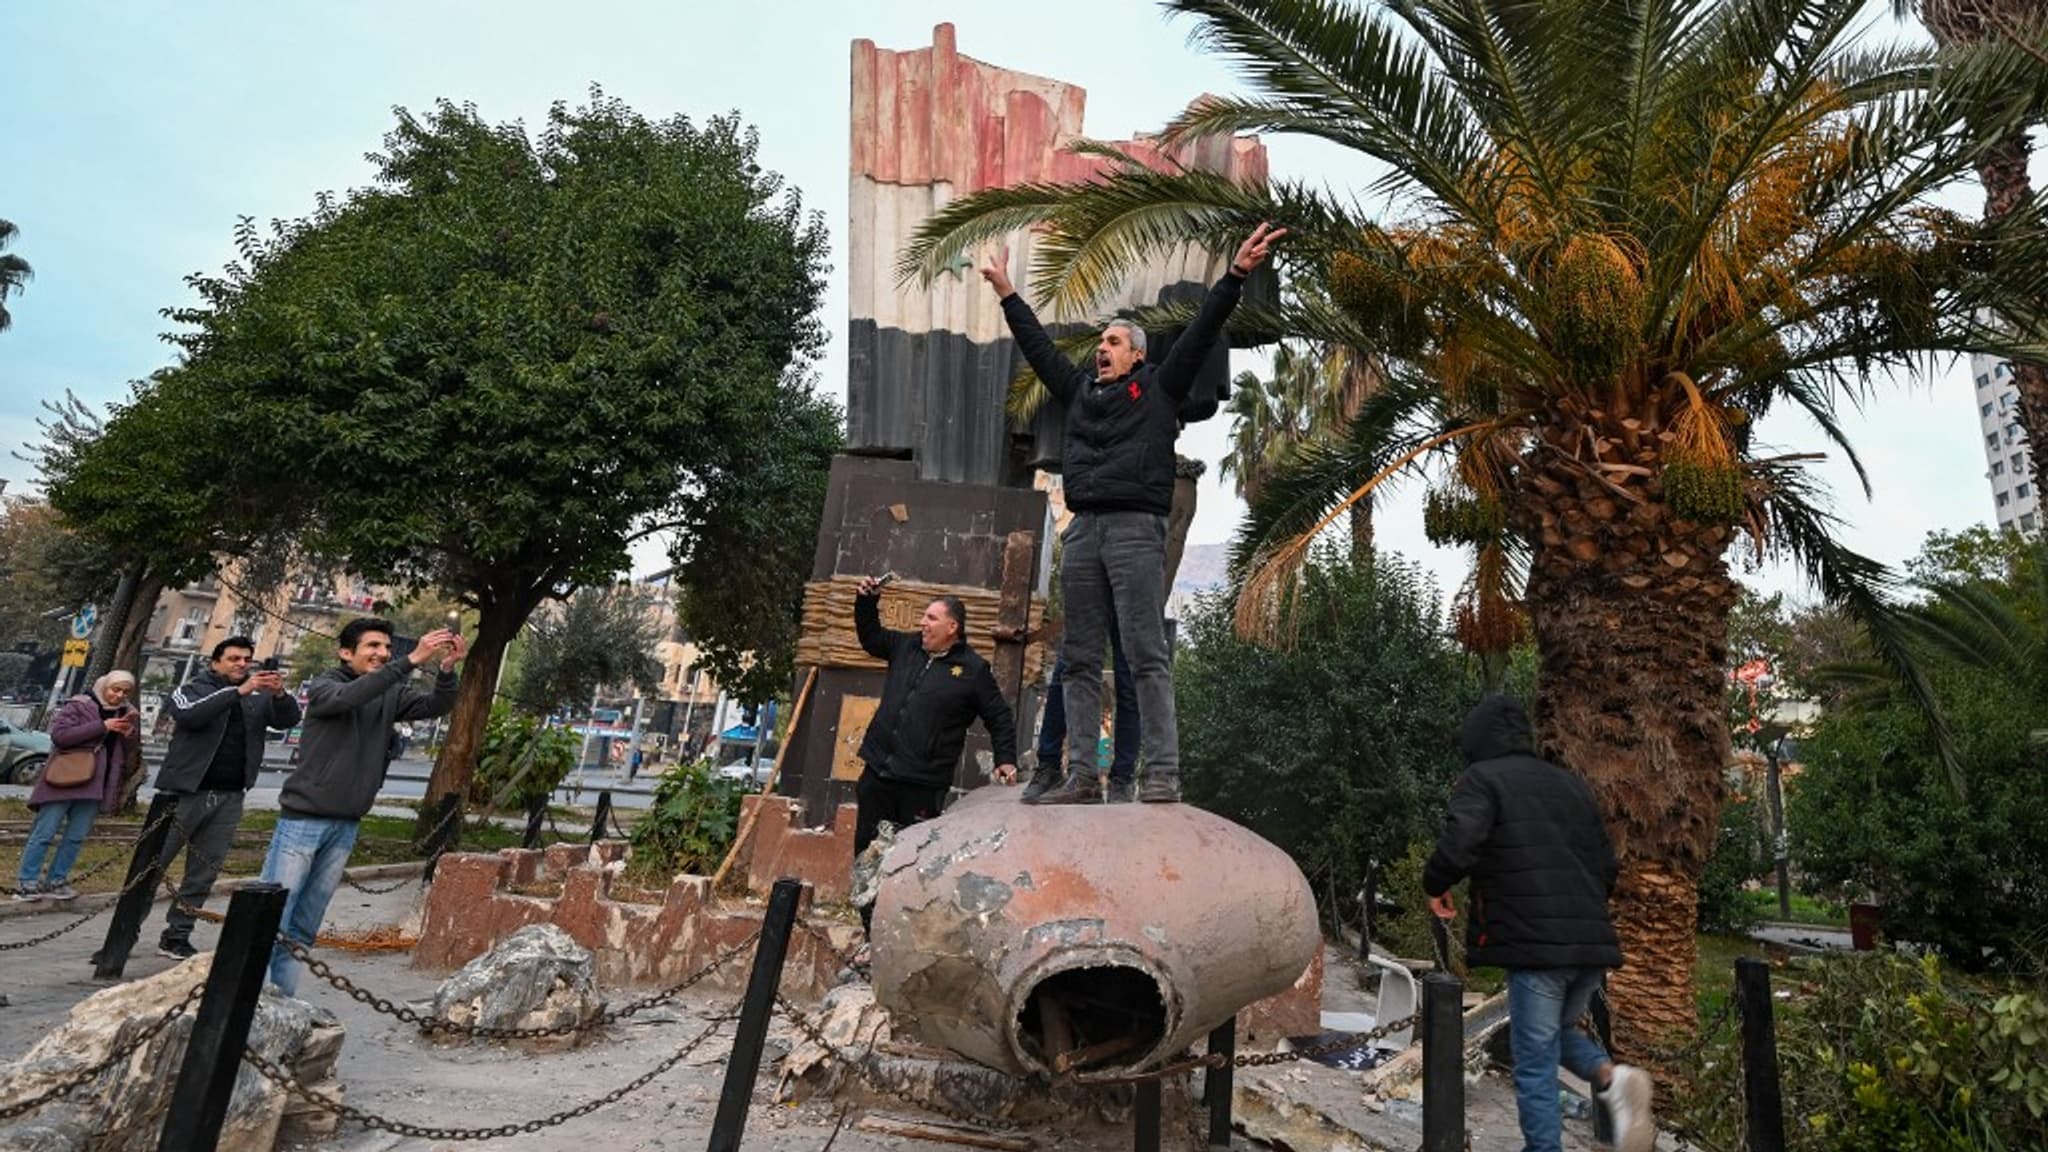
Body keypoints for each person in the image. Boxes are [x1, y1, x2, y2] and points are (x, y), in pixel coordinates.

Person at [983, 223, 1284, 803]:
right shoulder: (1079, 392)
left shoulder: (1161, 389)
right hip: (1085, 532)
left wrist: (1237, 274)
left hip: (1135, 532)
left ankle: (1163, 774)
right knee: (1077, 659)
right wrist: (1006, 293)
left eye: (1116, 341)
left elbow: (1201, 332)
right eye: (1102, 341)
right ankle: (1081, 777)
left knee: (1145, 654)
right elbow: (1040, 349)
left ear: (1138, 355)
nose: (1103, 346)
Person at [1422, 695, 1655, 1152]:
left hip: (1536, 945)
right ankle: (1614, 1078)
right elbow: (1607, 865)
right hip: (1588, 942)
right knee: (1554, 1035)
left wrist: (1435, 883)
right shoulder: (1570, 785)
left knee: (1532, 1060)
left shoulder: (1482, 778)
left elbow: (1462, 839)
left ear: (1476, 742)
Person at [262, 617, 462, 994]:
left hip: (346, 824)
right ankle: (248, 1001)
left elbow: (435, 704)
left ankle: (281, 999)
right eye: (372, 646)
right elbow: (348, 698)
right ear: (345, 652)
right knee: (272, 917)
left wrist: (447, 670)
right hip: (303, 821)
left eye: (387, 648)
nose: (382, 654)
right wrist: (408, 662)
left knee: (305, 924)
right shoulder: (325, 685)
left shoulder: (388, 693)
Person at [851, 576, 1018, 931]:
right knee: (867, 859)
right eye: (923, 618)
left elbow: (999, 717)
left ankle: (902, 935)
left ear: (952, 626)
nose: (921, 624)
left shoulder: (972, 670)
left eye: (930, 618)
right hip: (877, 774)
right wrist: (866, 601)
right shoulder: (905, 648)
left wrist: (1006, 759)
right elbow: (870, 637)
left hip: (921, 785)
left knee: (911, 863)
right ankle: (869, 936)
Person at [149, 637, 302, 959]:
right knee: (151, 865)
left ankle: (177, 934)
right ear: (215, 662)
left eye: (247, 659)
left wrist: (280, 693)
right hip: (184, 794)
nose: (242, 665)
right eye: (234, 658)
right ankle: (124, 929)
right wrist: (239, 691)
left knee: (203, 872)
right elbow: (189, 716)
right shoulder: (193, 688)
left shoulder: (256, 697)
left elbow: (288, 720)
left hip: (230, 796)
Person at [15, 671, 139, 901]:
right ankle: (27, 882)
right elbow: (60, 737)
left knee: (75, 837)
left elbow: (126, 750)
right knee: (44, 833)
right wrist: (102, 726)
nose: (119, 695)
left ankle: (57, 881)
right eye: (115, 689)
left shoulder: (127, 712)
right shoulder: (80, 704)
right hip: (64, 778)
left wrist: (129, 733)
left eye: (125, 691)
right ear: (104, 686)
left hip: (97, 783)